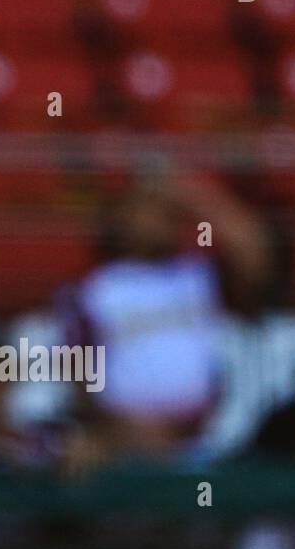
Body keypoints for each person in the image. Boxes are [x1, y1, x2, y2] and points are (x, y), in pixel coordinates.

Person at [54, 171, 273, 472]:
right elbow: (77, 376)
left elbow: (253, 252)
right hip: (126, 446)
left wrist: (190, 195)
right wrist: (119, 429)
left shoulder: (199, 275)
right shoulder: (95, 289)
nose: (159, 218)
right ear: (123, 216)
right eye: (146, 208)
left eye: (165, 210)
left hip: (211, 439)